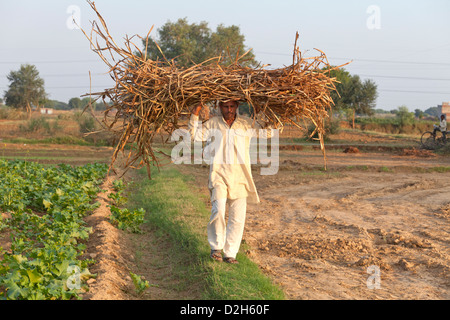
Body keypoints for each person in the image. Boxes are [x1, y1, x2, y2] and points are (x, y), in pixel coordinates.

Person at [189, 100, 270, 264]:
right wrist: (195, 113)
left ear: (237, 107)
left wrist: (269, 114)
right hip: (219, 174)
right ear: (220, 107)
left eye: (232, 106)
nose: (229, 110)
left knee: (237, 217)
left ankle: (230, 253)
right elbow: (195, 136)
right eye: (225, 107)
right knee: (218, 210)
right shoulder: (213, 124)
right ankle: (216, 247)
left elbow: (266, 133)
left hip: (240, 176)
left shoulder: (246, 124)